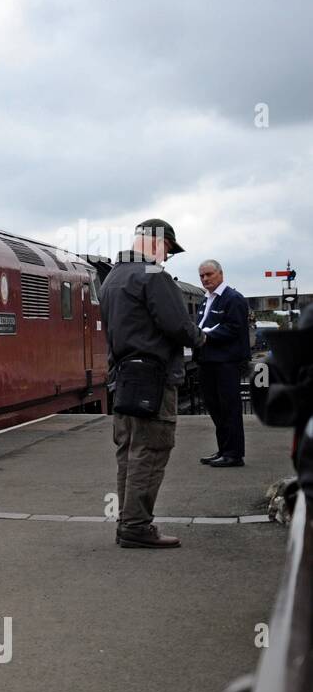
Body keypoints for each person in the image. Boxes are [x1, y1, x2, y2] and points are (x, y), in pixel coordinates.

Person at [99, 218, 206, 548]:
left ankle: (128, 521)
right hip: (153, 379)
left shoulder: (112, 277)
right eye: (169, 250)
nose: (167, 257)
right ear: (158, 243)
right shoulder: (153, 275)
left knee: (128, 451)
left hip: (123, 376)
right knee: (151, 449)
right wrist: (201, 338)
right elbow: (177, 324)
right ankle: (136, 526)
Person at [195, 259, 250, 467]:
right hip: (208, 362)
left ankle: (234, 454)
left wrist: (205, 336)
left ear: (221, 274)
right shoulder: (206, 300)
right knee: (215, 408)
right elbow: (201, 325)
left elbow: (233, 328)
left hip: (226, 363)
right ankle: (224, 449)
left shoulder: (233, 299)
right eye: (202, 276)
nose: (205, 279)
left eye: (209, 274)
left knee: (229, 408)